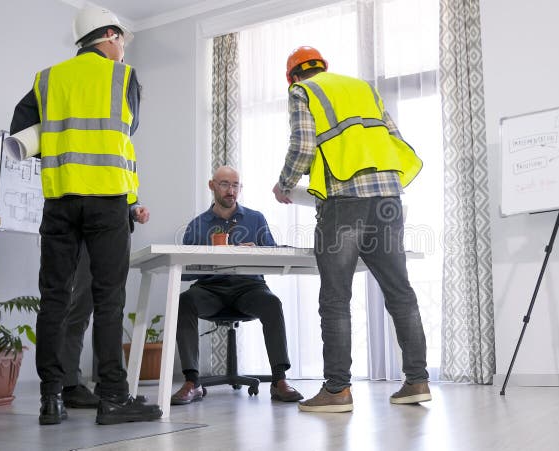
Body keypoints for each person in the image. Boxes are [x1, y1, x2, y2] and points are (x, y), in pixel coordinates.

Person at [9, 6, 161, 425]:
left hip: (59, 201)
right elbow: (127, 130)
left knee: (54, 298)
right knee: (108, 299)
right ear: (110, 36)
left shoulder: (46, 79)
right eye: (122, 42)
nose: (124, 50)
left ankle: (50, 399)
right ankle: (113, 396)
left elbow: (23, 134)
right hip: (107, 200)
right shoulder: (124, 77)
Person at [272, 46, 431, 413]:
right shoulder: (363, 88)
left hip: (344, 201)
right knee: (400, 292)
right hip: (388, 197)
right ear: (323, 67)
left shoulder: (303, 92)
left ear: (293, 76)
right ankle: (417, 381)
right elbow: (393, 136)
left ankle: (337, 390)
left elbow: (303, 146)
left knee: (335, 298)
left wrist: (284, 185)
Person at [171, 165, 303, 404]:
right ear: (212, 186)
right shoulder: (197, 225)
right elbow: (183, 272)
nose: (230, 191)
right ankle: (192, 381)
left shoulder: (255, 218)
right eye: (224, 184)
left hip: (249, 288)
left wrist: (257, 253)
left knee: (272, 303)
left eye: (235, 185)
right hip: (211, 289)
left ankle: (279, 380)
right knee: (185, 301)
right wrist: (207, 258)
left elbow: (273, 257)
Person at [60, 200, 149, 409]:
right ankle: (69, 384)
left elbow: (120, 189)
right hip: (93, 229)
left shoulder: (127, 165)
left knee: (111, 309)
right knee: (82, 304)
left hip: (116, 229)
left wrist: (134, 208)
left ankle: (108, 383)